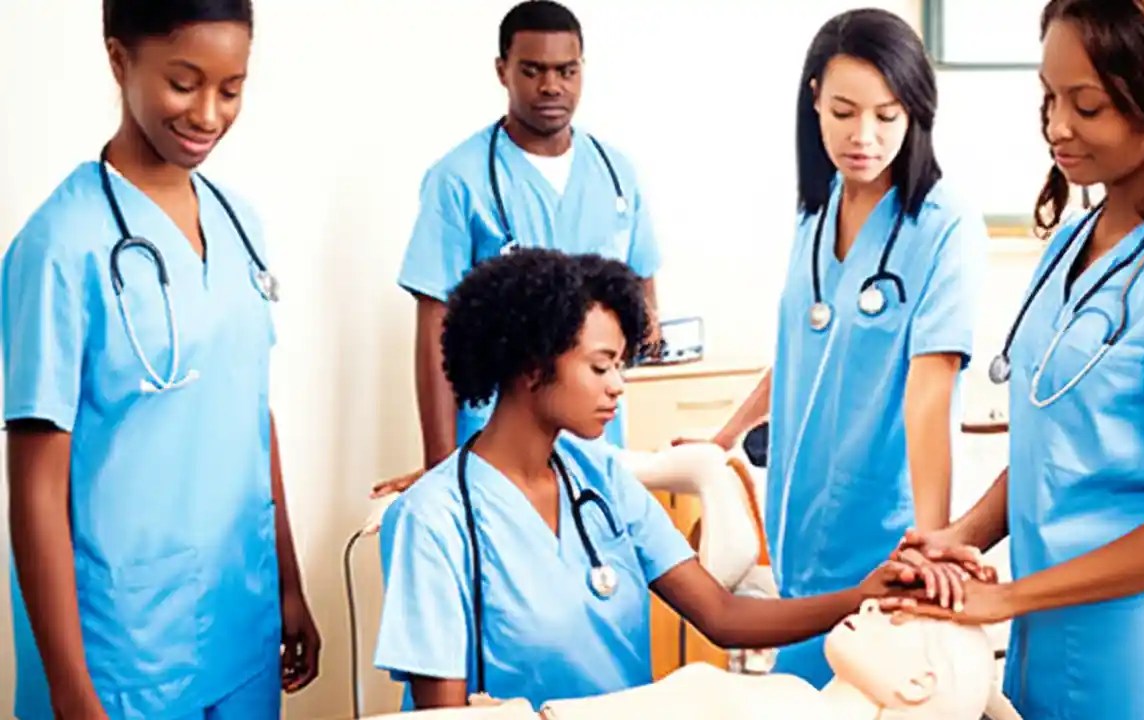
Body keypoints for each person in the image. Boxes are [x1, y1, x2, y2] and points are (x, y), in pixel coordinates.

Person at [371, 248, 958, 711]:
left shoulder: (601, 480)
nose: (618, 386)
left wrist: (862, 596)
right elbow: (441, 716)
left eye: (620, 366)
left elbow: (722, 617)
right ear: (532, 364)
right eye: (600, 367)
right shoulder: (434, 519)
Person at [890, 1, 1144, 717]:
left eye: (1086, 105)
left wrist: (1003, 597)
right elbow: (1053, 439)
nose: (1058, 127)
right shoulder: (1074, 241)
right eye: (1050, 98)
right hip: (1052, 625)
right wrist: (960, 537)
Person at [2, 1, 320, 717]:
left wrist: (287, 584)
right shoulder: (59, 246)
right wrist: (70, 689)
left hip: (241, 620)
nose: (208, 113)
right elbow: (33, 487)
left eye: (231, 88)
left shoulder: (241, 224)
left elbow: (249, 414)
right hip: (120, 650)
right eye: (183, 83)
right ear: (120, 61)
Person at [678, 8, 988, 687]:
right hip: (800, 530)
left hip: (884, 535)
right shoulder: (814, 213)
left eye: (886, 115)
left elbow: (930, 388)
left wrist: (930, 544)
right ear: (813, 95)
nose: (863, 136)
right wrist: (724, 436)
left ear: (916, 113)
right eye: (844, 111)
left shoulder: (944, 224)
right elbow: (802, 351)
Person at [372, 0, 663, 498]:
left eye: (566, 71)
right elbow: (434, 326)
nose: (551, 86)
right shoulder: (459, 180)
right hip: (497, 437)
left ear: (581, 72)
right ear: (502, 70)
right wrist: (442, 470)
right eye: (532, 70)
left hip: (596, 442)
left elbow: (645, 302)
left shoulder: (617, 175)